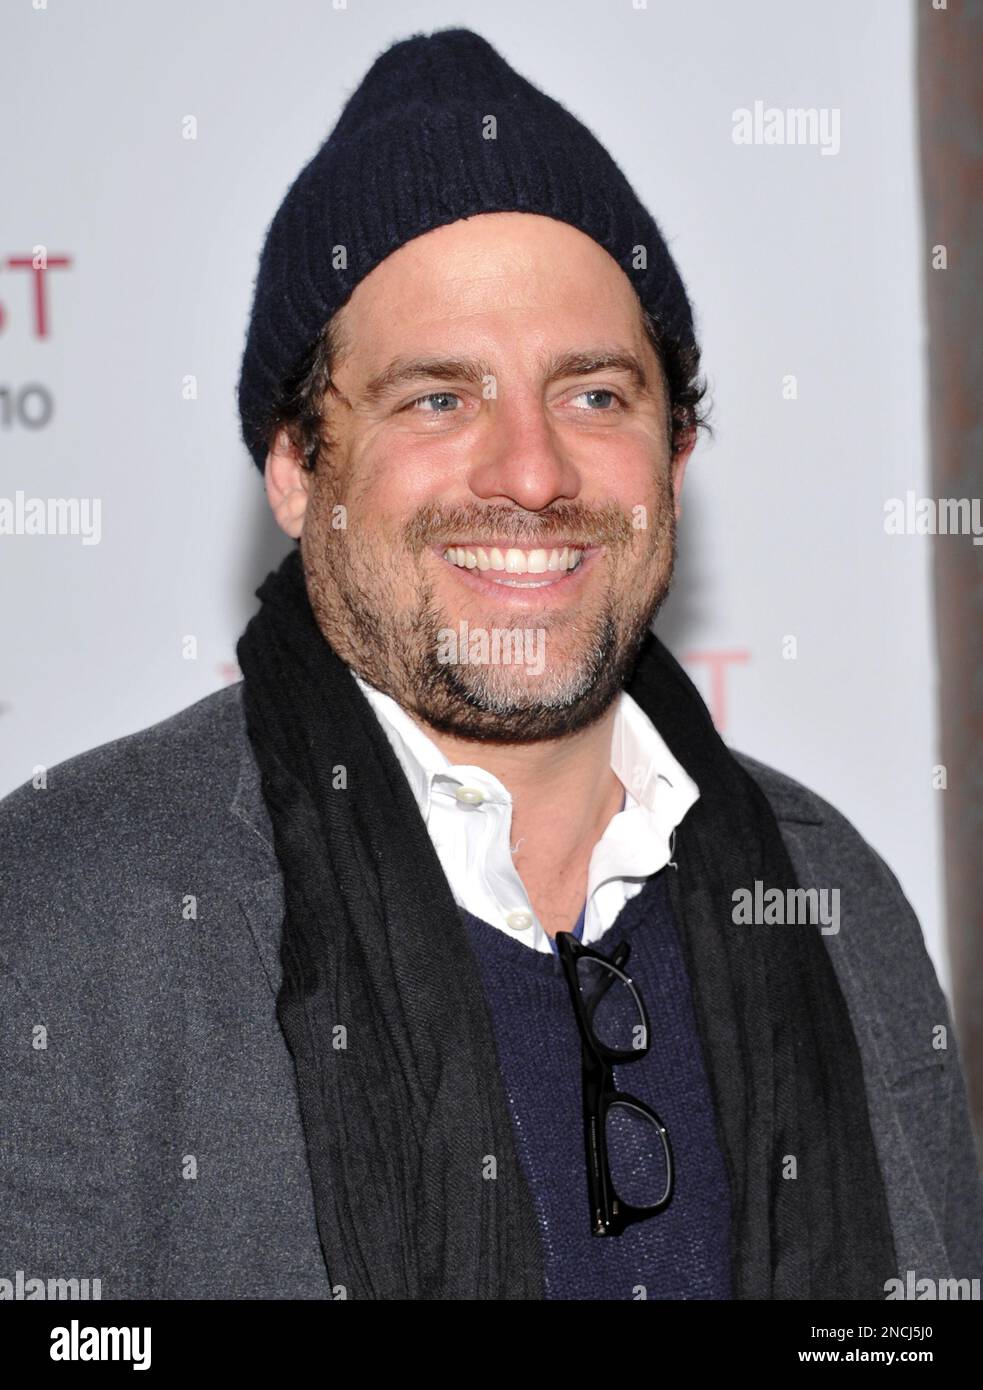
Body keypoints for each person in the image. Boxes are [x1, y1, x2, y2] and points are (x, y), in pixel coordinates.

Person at [1, 27, 980, 1303]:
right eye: (436, 399)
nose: (530, 472)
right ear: (297, 469)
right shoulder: (74, 911)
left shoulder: (826, 889)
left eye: (592, 396)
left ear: (675, 455)